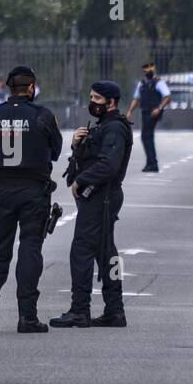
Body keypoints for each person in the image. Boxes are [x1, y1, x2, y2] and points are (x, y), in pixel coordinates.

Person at [0, 66, 63, 333]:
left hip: (2, 191)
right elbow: (56, 151)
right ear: (31, 88)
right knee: (30, 249)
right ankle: (27, 316)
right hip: (33, 191)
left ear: (7, 88)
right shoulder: (43, 116)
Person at [51, 81, 132, 329]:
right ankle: (115, 310)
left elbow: (109, 165)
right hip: (99, 196)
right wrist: (77, 144)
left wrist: (81, 181)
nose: (92, 102)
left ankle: (80, 310)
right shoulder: (103, 127)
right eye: (91, 97)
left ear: (111, 102)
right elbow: (92, 157)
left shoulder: (115, 129)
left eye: (97, 98)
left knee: (82, 251)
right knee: (107, 252)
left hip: (102, 196)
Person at [128, 61, 172, 172]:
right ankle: (151, 163)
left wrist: (159, 108)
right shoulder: (142, 84)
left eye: (150, 69)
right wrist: (129, 111)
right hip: (145, 111)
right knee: (147, 137)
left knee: (146, 136)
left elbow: (167, 97)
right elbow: (136, 99)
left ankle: (152, 164)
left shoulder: (159, 82)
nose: (148, 71)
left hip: (153, 112)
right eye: (146, 69)